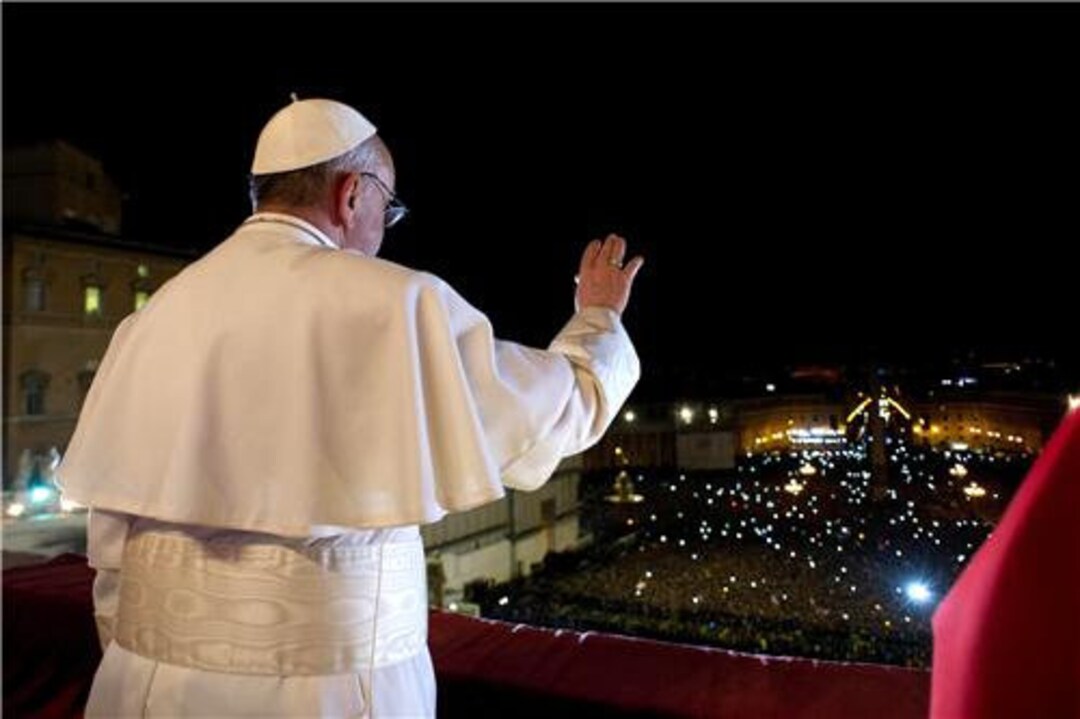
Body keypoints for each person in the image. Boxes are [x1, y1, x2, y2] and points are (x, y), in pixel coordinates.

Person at [57, 97, 644, 718]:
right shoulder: (400, 304)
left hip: (147, 687)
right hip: (331, 694)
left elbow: (113, 548)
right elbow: (557, 408)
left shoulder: (150, 320)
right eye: (388, 207)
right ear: (352, 195)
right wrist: (598, 318)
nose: (384, 228)